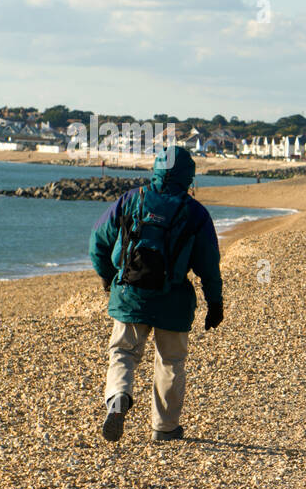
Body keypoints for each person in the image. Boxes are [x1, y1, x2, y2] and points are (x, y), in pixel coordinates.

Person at [89, 145, 223, 443]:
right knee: (170, 361)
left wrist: (109, 278)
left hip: (129, 294)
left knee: (123, 353)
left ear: (157, 169)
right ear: (188, 175)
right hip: (173, 301)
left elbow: (97, 241)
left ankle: (118, 398)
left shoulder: (130, 200)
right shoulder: (195, 212)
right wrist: (215, 302)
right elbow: (208, 264)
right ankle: (164, 427)